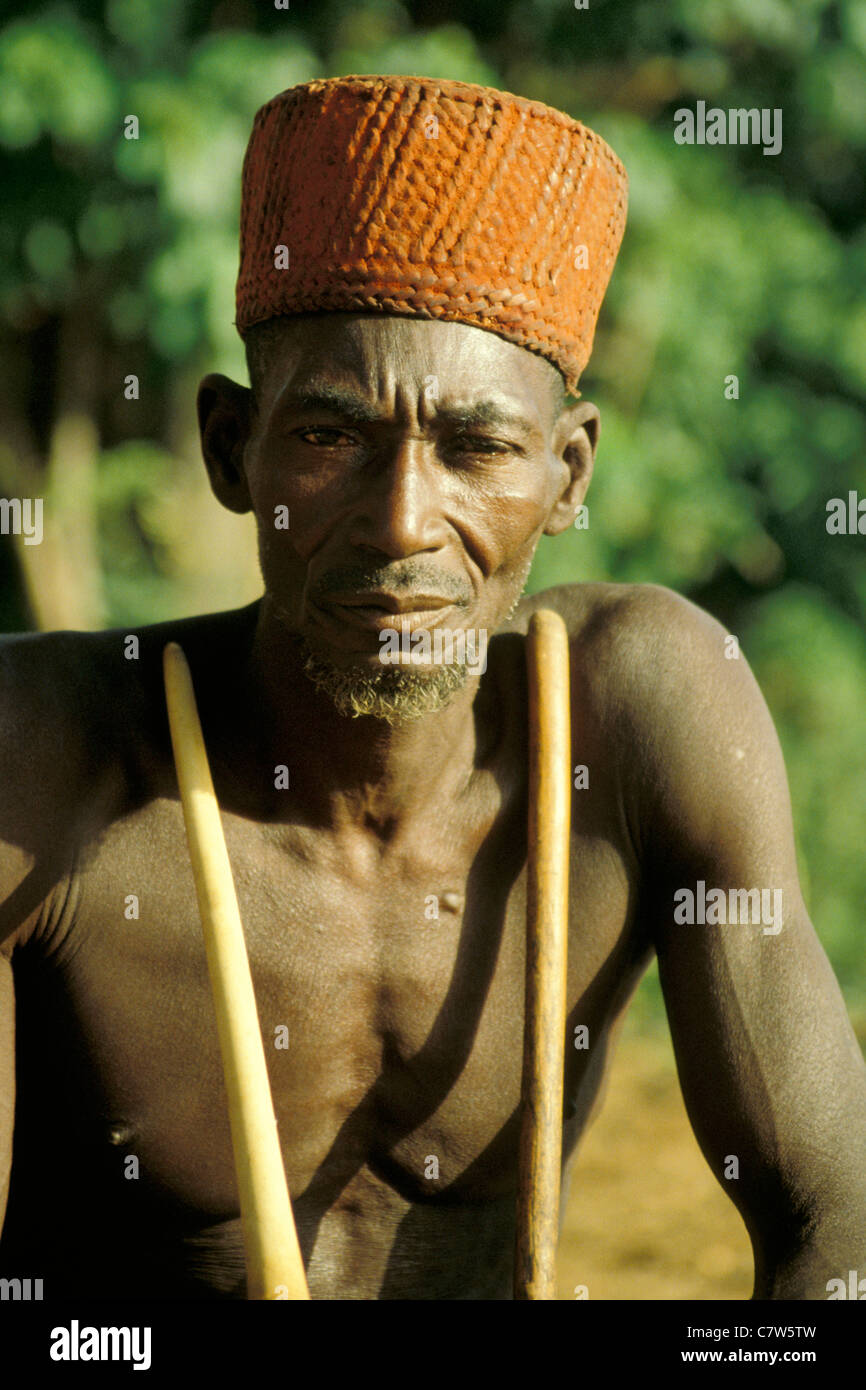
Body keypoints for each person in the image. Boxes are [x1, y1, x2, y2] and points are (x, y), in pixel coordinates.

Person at [1, 74, 864, 1301]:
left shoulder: (639, 713)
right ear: (227, 448)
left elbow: (837, 1237)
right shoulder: (40, 764)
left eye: (476, 449)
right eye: (330, 437)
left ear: (566, 477)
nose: (404, 523)